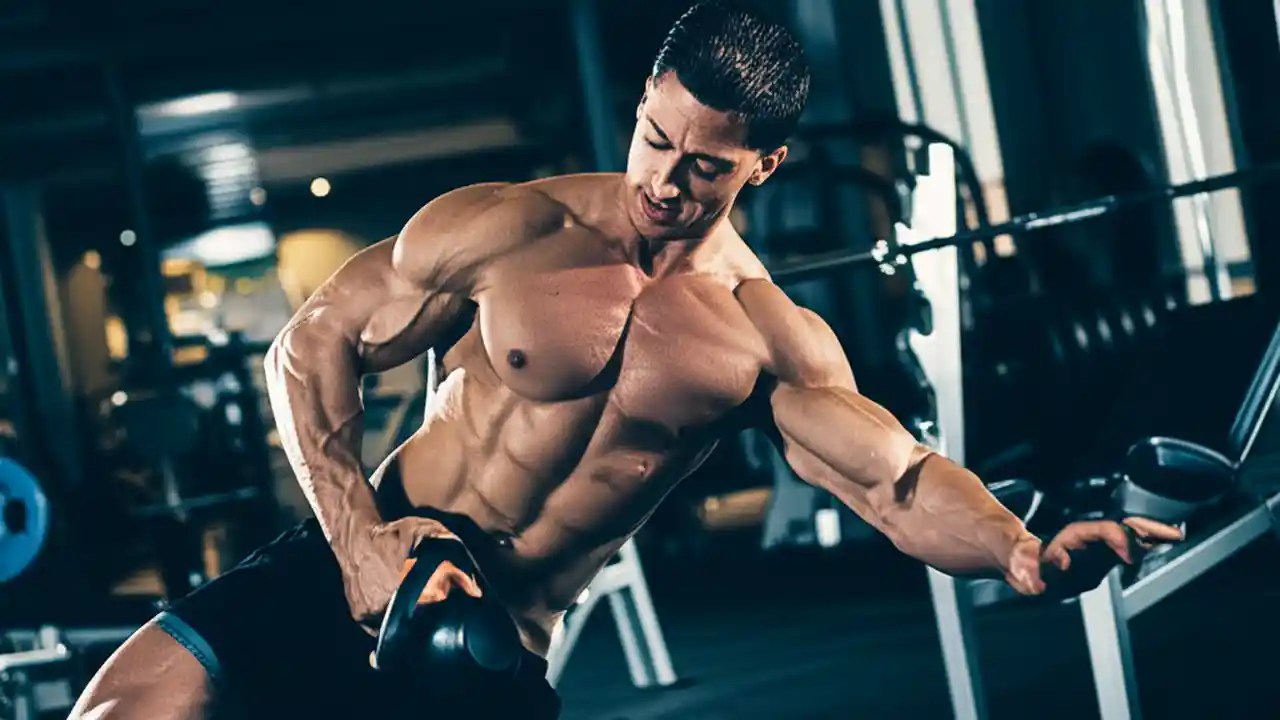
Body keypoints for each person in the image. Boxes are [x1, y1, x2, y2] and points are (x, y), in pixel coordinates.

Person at [71, 2, 1182, 718]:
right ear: (641, 105)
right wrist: (357, 543)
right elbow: (311, 342)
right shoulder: (507, 228)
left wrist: (1020, 554)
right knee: (121, 710)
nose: (664, 181)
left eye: (706, 165)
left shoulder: (764, 336)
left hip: (490, 649)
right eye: (656, 138)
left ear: (766, 164)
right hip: (361, 564)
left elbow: (891, 482)